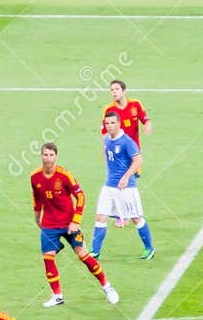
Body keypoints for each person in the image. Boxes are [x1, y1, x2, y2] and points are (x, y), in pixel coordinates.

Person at [32, 143, 118, 308]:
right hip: (49, 225)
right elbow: (36, 198)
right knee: (48, 258)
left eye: (51, 155)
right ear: (41, 156)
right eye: (45, 155)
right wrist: (37, 217)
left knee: (84, 255)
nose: (48, 158)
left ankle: (106, 286)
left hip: (69, 224)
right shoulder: (34, 177)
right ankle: (57, 296)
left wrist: (75, 221)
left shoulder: (65, 176)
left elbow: (81, 196)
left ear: (56, 156)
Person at [92, 111, 153, 260]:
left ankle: (149, 248)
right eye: (107, 123)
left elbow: (138, 160)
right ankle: (95, 251)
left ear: (119, 123)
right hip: (109, 186)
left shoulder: (126, 141)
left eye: (113, 123)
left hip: (126, 187)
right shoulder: (107, 139)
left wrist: (126, 176)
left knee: (136, 218)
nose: (110, 126)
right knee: (100, 216)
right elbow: (107, 156)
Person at [101, 80, 149, 148]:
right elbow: (105, 133)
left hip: (134, 148)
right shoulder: (109, 109)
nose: (114, 92)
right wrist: (106, 151)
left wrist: (147, 125)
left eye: (117, 89)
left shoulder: (135, 104)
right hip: (117, 150)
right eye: (112, 90)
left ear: (124, 91)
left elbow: (146, 120)